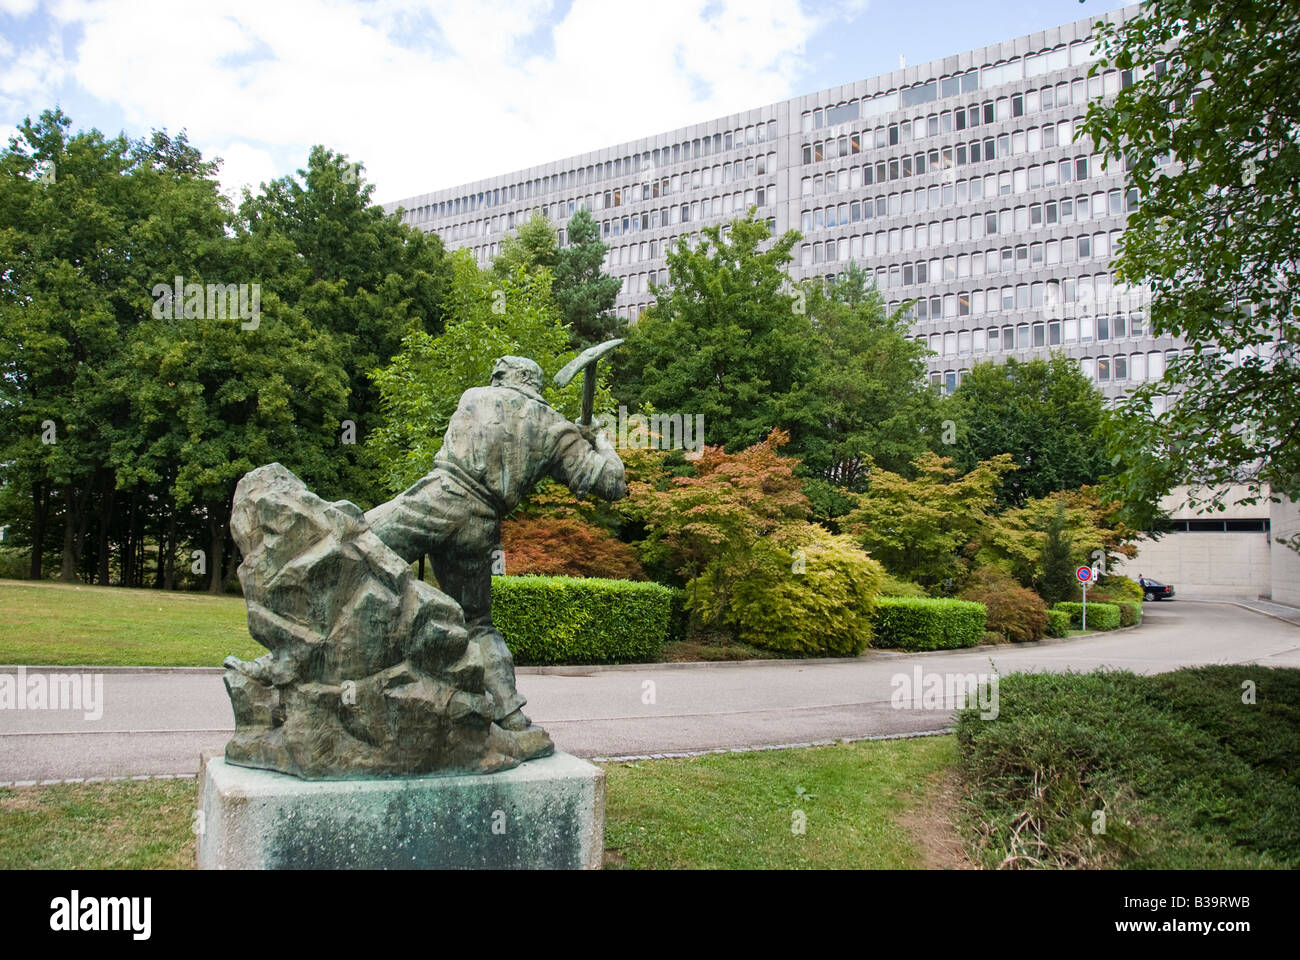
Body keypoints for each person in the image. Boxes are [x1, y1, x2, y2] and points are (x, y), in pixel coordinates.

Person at [364, 355, 627, 734]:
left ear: (512, 377)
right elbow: (612, 484)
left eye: (499, 373)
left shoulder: (475, 396)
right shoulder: (556, 427)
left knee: (354, 543)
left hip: (437, 498)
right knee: (476, 625)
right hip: (480, 522)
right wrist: (597, 440)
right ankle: (510, 714)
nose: (494, 377)